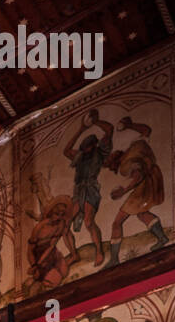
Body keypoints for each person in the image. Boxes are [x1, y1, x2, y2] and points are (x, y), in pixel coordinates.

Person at [104, 116, 166, 265]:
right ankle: (162, 238)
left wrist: (123, 191)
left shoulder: (126, 162)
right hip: (154, 178)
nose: (111, 168)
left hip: (145, 184)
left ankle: (113, 259)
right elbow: (146, 130)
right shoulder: (137, 146)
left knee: (117, 222)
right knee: (142, 213)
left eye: (110, 163)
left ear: (116, 157)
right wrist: (130, 125)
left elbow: (138, 176)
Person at [62, 110, 113, 265]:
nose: (85, 151)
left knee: (89, 222)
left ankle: (99, 251)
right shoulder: (80, 156)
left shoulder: (100, 152)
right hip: (78, 191)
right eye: (83, 149)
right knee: (65, 226)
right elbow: (66, 150)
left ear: (94, 145)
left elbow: (109, 130)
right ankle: (74, 254)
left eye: (87, 148)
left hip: (90, 189)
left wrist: (95, 122)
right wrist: (81, 129)